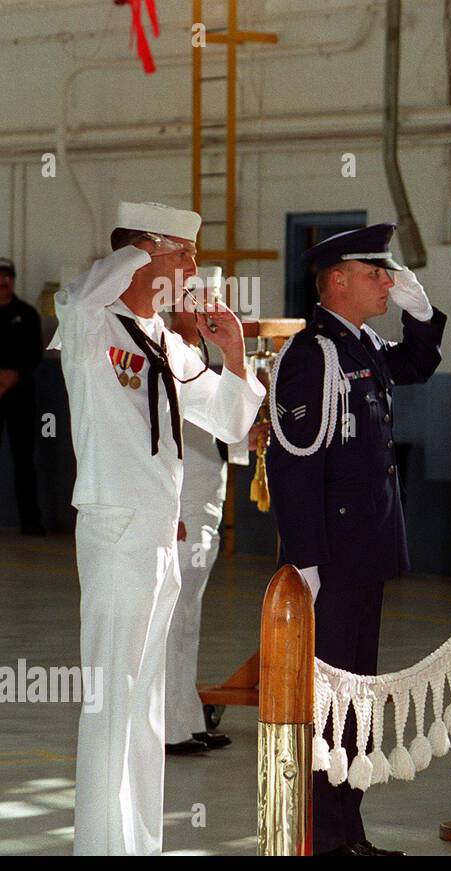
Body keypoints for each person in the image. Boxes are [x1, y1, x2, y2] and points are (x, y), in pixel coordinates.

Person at [52, 200, 266, 855]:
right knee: (112, 702)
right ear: (142, 253)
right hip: (116, 532)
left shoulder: (165, 342)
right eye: (184, 254)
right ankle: (99, 851)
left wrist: (233, 350)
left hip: (159, 538)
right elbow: (93, 281)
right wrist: (151, 252)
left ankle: (137, 846)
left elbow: (230, 421)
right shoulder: (91, 322)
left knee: (144, 706)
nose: (196, 268)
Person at [266, 223, 445, 857]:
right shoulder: (312, 354)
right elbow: (294, 461)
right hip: (333, 559)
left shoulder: (361, 342)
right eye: (376, 274)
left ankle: (348, 829)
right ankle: (324, 834)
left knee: (356, 699)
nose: (387, 284)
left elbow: (419, 364)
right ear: (337, 280)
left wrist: (423, 317)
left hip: (363, 550)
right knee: (331, 702)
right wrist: (305, 560)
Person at [163, 266, 265, 756]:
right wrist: (168, 506)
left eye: (212, 300)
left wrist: (249, 439)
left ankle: (184, 717)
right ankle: (166, 725)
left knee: (190, 614)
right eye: (195, 299)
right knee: (172, 614)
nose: (205, 308)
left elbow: (225, 426)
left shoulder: (204, 351)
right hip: (179, 497)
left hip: (207, 493)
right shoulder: (163, 349)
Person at [0, 256, 45, 535]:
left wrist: (12, 376)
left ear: (13, 280)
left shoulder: (27, 314)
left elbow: (33, 352)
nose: (2, 283)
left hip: (20, 396)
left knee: (24, 460)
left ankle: (31, 522)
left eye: (7, 277)